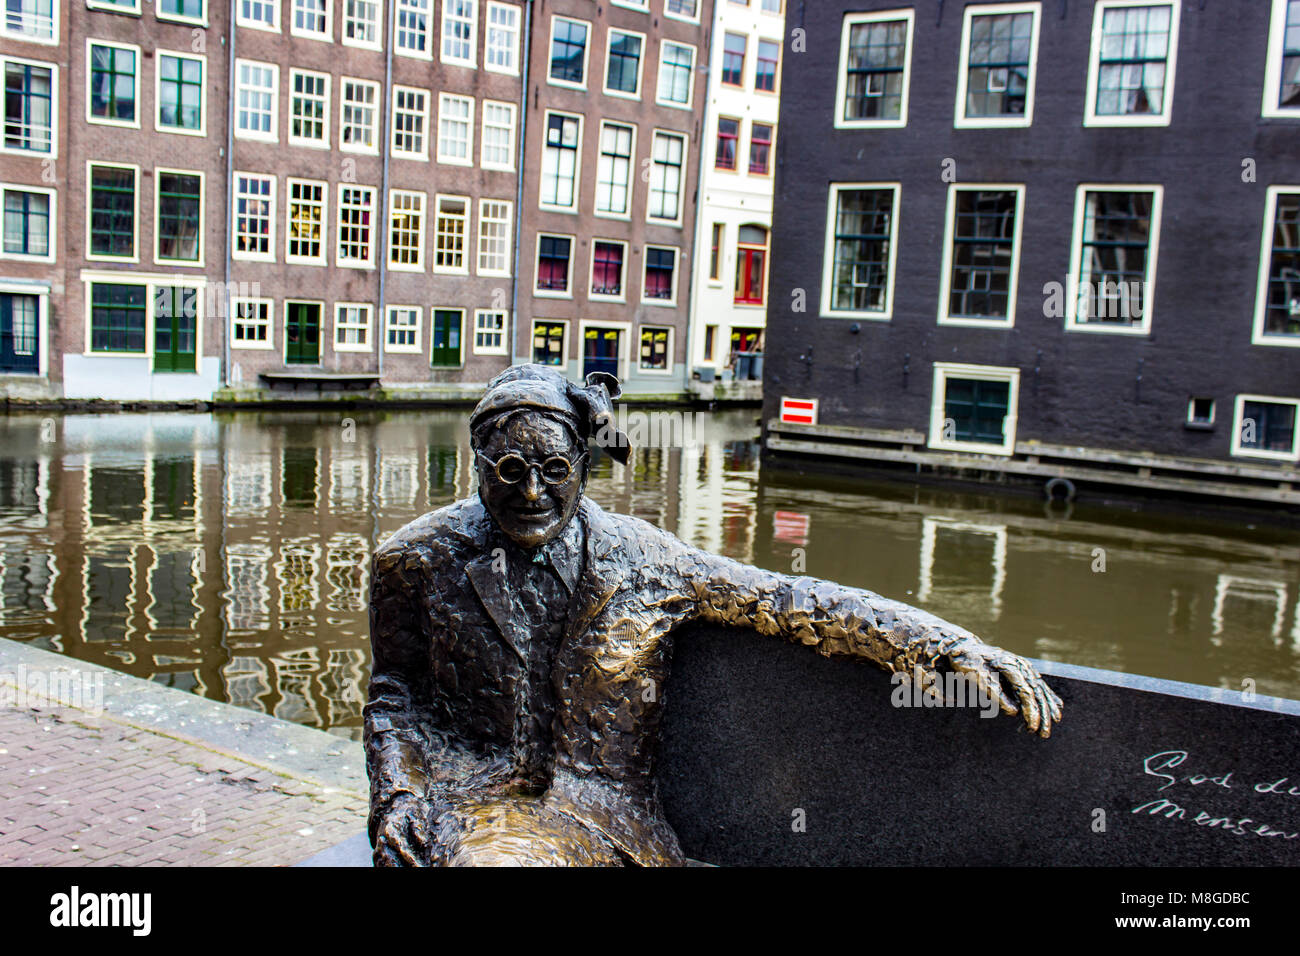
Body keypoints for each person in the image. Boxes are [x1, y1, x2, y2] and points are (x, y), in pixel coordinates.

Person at [364, 365, 1062, 866]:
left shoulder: (645, 560)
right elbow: (395, 698)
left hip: (602, 811)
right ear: (477, 463)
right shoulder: (415, 561)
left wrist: (941, 644)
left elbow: (790, 600)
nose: (533, 492)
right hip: (471, 800)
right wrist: (398, 795)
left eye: (554, 469)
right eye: (510, 470)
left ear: (583, 462)